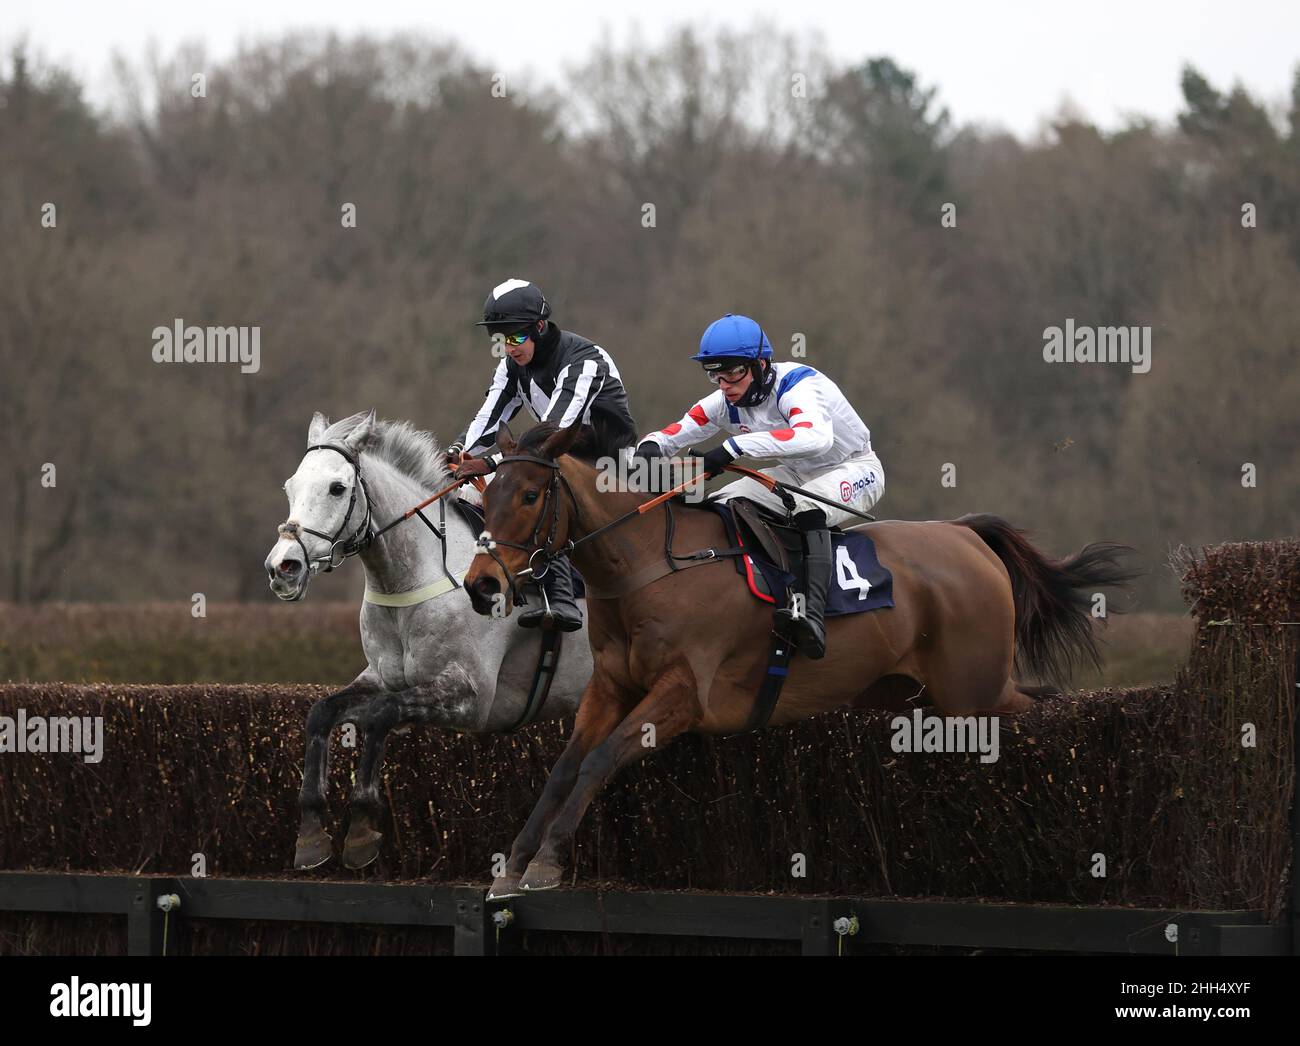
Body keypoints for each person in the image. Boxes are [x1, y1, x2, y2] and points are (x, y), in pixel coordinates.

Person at [633, 313, 884, 659]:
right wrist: (650, 446)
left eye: (734, 372)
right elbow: (678, 431)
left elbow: (815, 438)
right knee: (724, 501)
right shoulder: (725, 401)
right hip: (796, 473)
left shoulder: (797, 385)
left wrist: (734, 447)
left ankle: (811, 615)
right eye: (715, 374)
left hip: (854, 467)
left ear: (761, 365)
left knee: (809, 509)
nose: (724, 384)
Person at [447, 278, 636, 630]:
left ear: (540, 327)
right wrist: (457, 453)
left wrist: (489, 462)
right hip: (552, 457)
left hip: (607, 463)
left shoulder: (584, 361)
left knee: (534, 486)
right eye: (500, 340)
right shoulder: (511, 365)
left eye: (516, 337)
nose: (509, 348)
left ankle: (561, 598)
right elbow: (490, 416)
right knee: (471, 490)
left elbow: (554, 434)